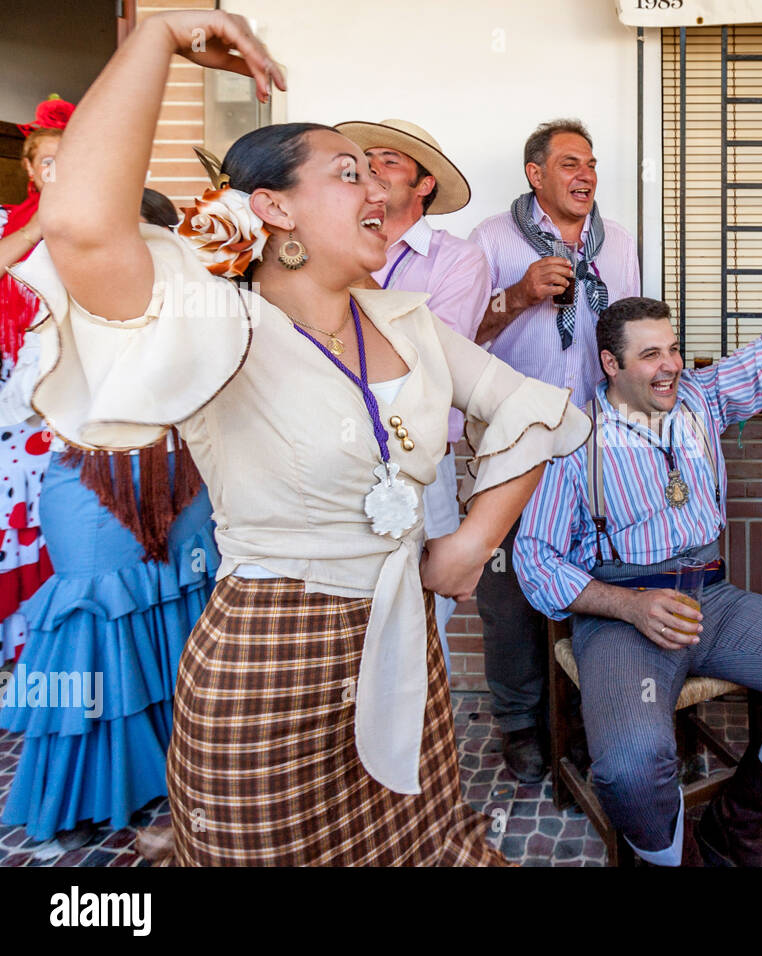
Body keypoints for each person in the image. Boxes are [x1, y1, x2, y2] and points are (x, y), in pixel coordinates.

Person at [19, 9, 588, 866]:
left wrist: (473, 542)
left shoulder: (409, 321)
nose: (378, 192)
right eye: (348, 174)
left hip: (402, 656)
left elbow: (536, 408)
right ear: (273, 208)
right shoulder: (216, 321)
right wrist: (157, 41)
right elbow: (81, 229)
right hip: (266, 666)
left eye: (380, 177)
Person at [514, 296, 762, 866]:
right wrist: (626, 605)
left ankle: (737, 821)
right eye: (649, 355)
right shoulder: (572, 436)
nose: (670, 365)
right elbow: (535, 557)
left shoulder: (702, 399)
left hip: (713, 599)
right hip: (623, 615)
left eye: (673, 349)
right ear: (610, 365)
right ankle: (678, 858)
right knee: (631, 764)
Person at [0, 189, 220, 850]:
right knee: (94, 625)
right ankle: (87, 795)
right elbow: (21, 408)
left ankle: (173, 775)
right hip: (95, 493)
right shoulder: (57, 313)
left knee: (183, 615)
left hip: (186, 488)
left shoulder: (197, 310)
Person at [469, 119, 640, 781]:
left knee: (593, 576)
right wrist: (517, 297)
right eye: (570, 163)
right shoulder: (490, 240)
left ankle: (584, 714)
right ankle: (519, 726)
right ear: (536, 175)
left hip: (595, 441)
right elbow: (454, 331)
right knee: (507, 591)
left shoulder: (616, 243)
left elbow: (630, 332)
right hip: (511, 442)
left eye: (591, 163)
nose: (586, 175)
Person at [334, 117, 491, 662]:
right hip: (334, 455)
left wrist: (350, 266)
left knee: (422, 630)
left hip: (420, 463)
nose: (371, 168)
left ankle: (425, 744)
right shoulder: (324, 246)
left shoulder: (459, 259)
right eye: (364, 159)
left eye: (389, 160)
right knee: (347, 625)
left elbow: (424, 360)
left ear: (424, 185)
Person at [0, 96, 74, 666]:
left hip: (67, 398)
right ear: (30, 168)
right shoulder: (8, 225)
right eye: (47, 162)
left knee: (56, 517)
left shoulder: (98, 231)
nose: (57, 172)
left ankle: (46, 652)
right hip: (10, 396)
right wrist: (37, 228)